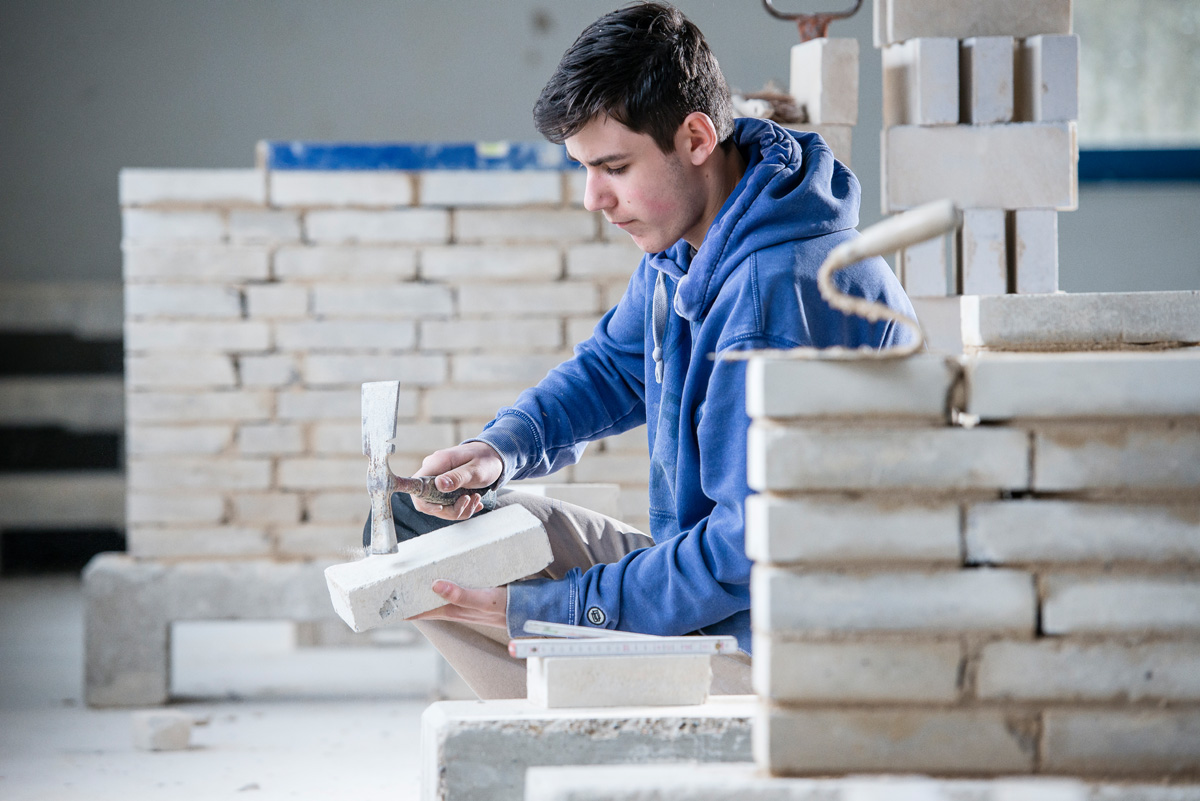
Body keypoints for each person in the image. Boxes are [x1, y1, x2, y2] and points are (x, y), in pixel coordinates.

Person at [384, 1, 917, 699]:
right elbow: (615, 366)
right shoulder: (697, 238)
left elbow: (747, 548)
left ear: (696, 137)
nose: (592, 198)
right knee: (467, 541)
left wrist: (555, 610)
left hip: (794, 642)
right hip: (732, 590)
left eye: (613, 166)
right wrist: (502, 447)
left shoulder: (774, 294)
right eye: (584, 168)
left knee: (486, 600)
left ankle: (608, 744)